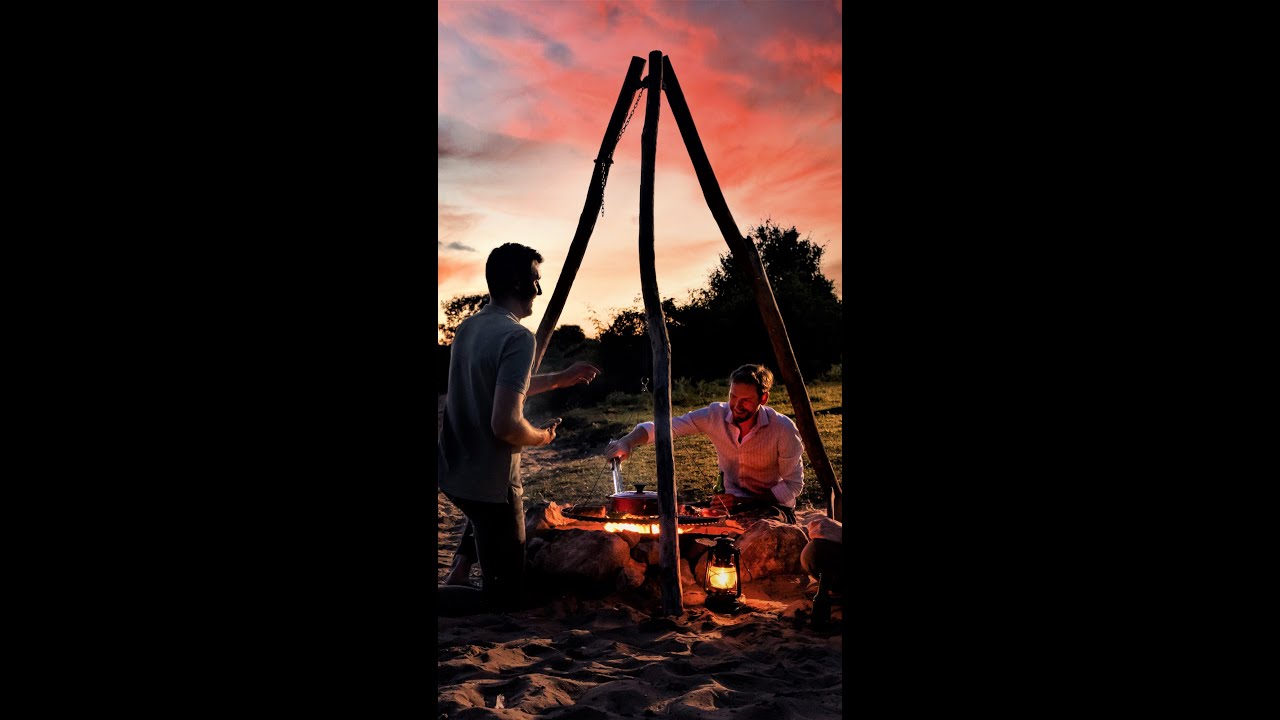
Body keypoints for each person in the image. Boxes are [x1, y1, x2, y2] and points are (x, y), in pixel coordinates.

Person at [437, 242, 601, 615]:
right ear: (515, 283)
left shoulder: (469, 327)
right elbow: (506, 425)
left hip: (454, 470)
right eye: (535, 280)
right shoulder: (517, 337)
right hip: (489, 483)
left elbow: (500, 383)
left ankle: (461, 568)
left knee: (485, 513)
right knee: (503, 600)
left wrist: (560, 379)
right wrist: (542, 437)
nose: (539, 290)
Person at [602, 364, 803, 523]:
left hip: (772, 507)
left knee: (757, 531)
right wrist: (627, 441)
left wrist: (745, 501)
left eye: (746, 400)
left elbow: (793, 485)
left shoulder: (783, 429)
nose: (736, 406)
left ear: (764, 398)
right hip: (726, 506)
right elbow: (665, 427)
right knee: (682, 517)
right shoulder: (716, 415)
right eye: (733, 397)